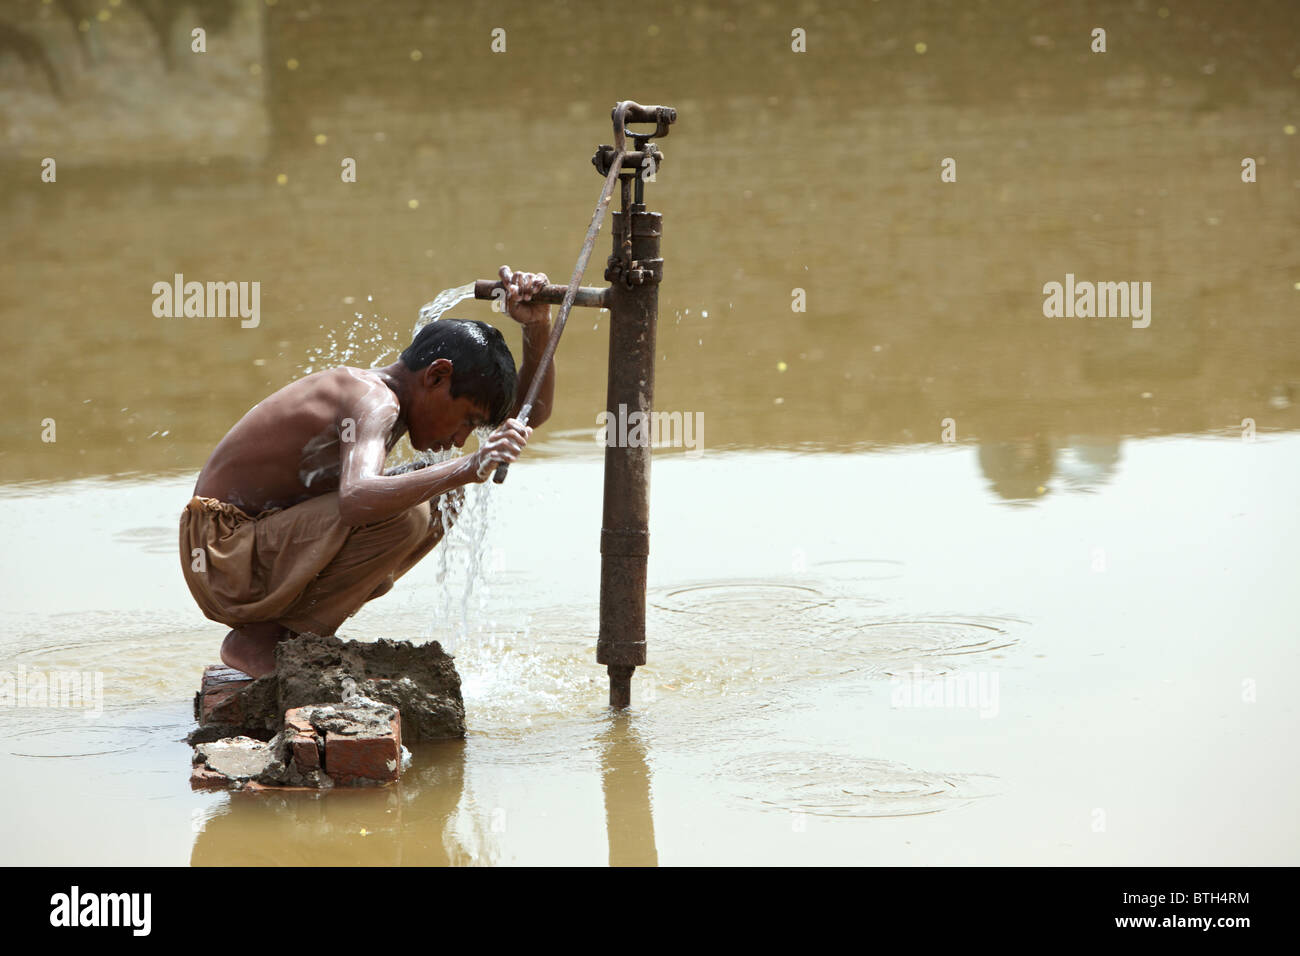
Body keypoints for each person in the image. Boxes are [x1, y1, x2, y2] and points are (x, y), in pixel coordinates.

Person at [179, 267, 554, 677]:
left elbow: (530, 413)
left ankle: (295, 635)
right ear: (437, 375)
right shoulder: (374, 399)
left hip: (250, 547)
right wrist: (467, 467)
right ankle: (262, 640)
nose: (462, 439)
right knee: (410, 512)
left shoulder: (392, 396)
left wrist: (537, 327)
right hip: (222, 552)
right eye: (466, 420)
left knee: (442, 496)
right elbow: (357, 499)